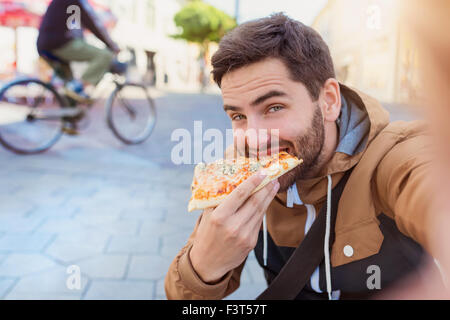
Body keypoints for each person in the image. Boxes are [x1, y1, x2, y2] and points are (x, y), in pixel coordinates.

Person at [165, 13, 447, 300]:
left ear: (328, 101)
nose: (253, 137)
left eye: (274, 107)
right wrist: (203, 266)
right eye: (238, 115)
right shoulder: (237, 172)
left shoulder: (393, 158)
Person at [37, 0, 120, 102]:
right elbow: (94, 24)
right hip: (60, 44)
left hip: (45, 45)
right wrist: (112, 46)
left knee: (69, 91)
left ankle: (70, 113)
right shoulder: (76, 2)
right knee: (104, 55)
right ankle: (79, 87)